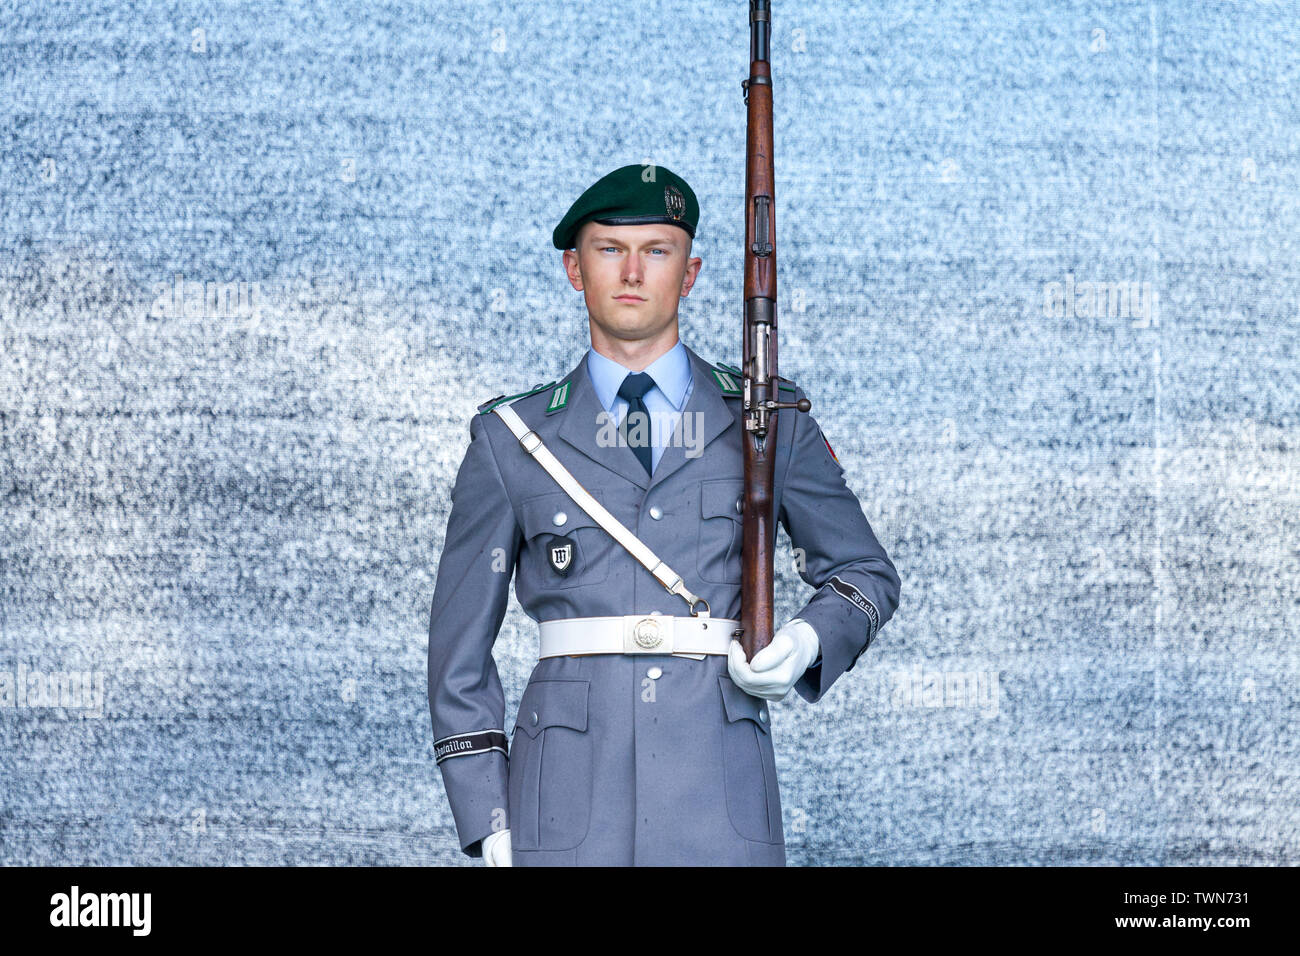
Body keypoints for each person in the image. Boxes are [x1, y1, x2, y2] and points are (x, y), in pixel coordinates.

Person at [427, 163, 901, 866]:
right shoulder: (511, 439)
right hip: (559, 801)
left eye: (657, 251)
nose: (631, 272)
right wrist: (486, 809)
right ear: (572, 268)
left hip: (718, 788)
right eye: (608, 250)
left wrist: (806, 641)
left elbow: (865, 571)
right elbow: (456, 654)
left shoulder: (769, 421)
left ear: (691, 272)